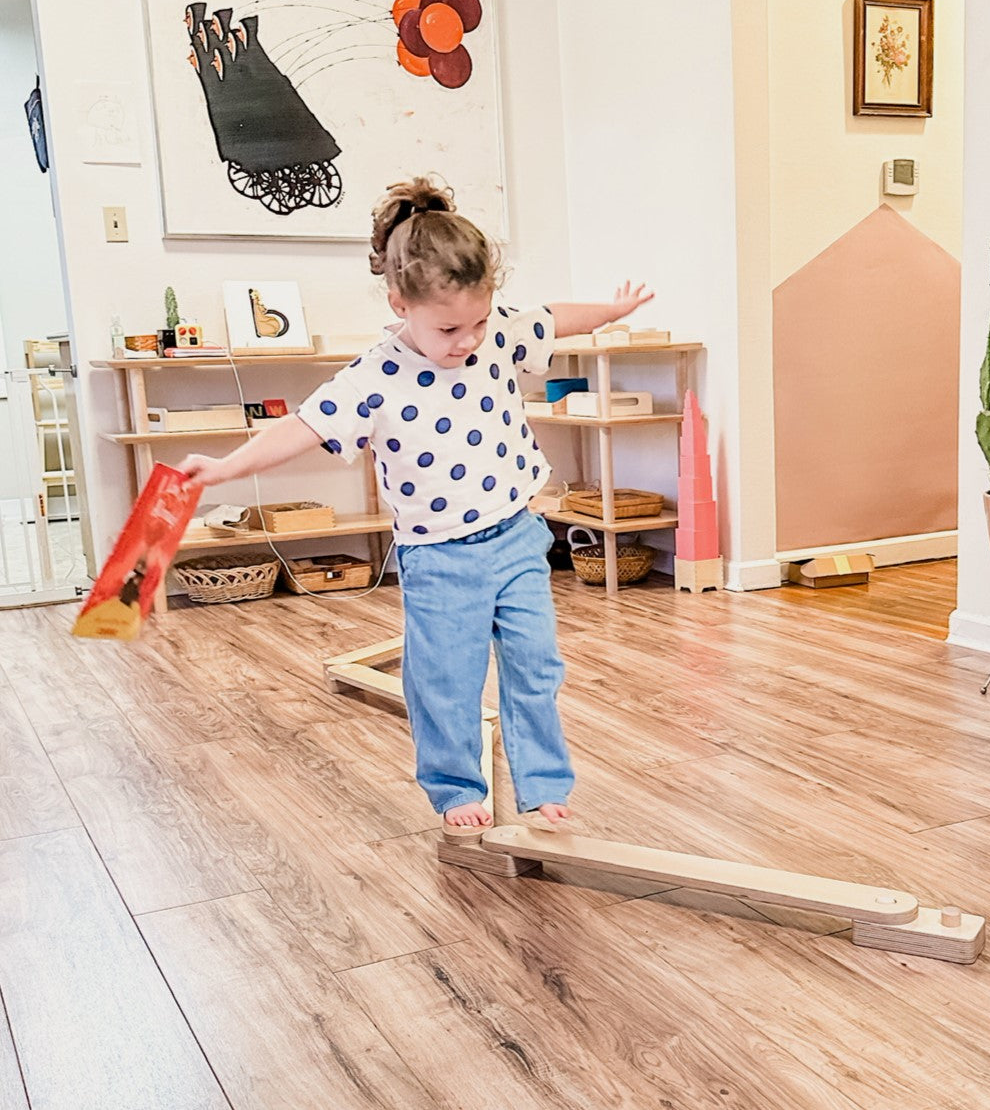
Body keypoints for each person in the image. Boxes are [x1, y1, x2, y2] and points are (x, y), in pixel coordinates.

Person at [179, 175, 653, 830]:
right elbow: (302, 428)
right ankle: (458, 788)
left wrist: (610, 310)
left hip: (516, 533)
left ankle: (543, 782)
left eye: (480, 320)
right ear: (400, 302)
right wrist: (226, 466)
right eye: (449, 326)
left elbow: (552, 318)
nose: (468, 339)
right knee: (444, 681)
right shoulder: (374, 375)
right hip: (437, 555)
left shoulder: (494, 335)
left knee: (535, 665)